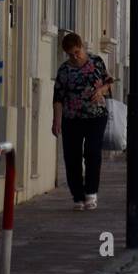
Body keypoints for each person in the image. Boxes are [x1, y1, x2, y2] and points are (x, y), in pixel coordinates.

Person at [52, 33, 113, 211]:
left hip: (96, 116)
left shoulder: (96, 62)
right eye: (70, 54)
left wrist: (101, 91)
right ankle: (77, 196)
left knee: (92, 152)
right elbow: (58, 98)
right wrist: (56, 120)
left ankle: (91, 192)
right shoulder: (64, 71)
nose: (75, 57)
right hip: (72, 118)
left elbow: (109, 82)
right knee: (72, 157)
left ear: (82, 47)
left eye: (77, 52)